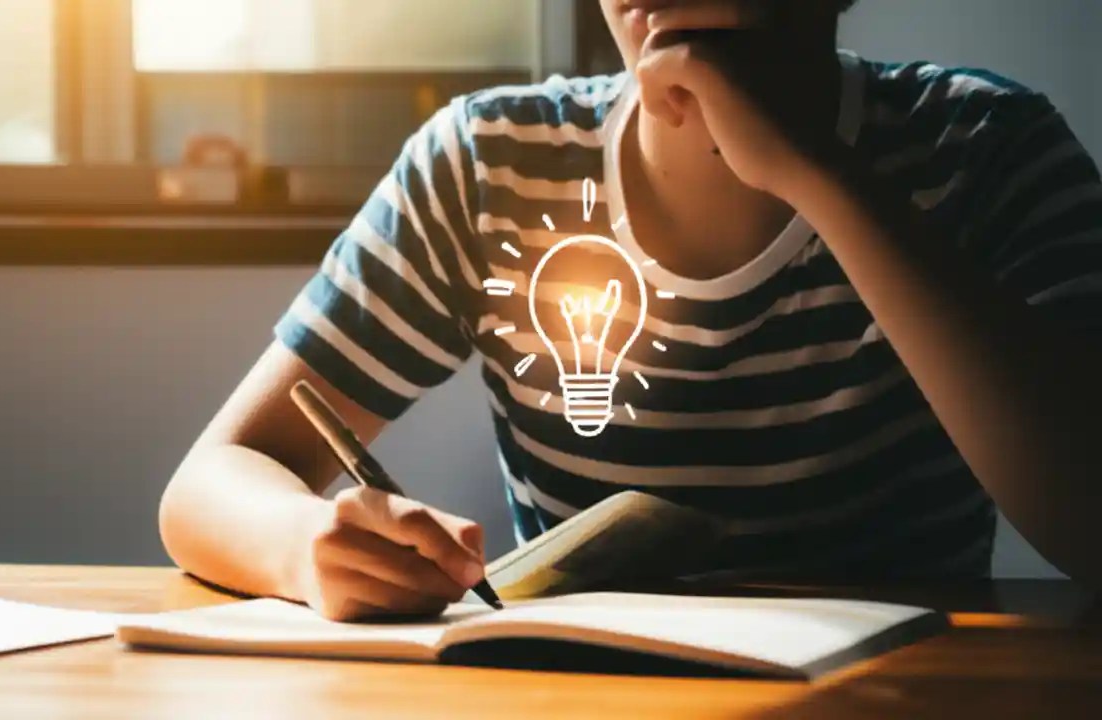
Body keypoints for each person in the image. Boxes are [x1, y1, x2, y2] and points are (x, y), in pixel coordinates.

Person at [158, 0, 1102, 620]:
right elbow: (210, 483)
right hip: (589, 688)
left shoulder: (986, 150)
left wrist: (818, 173)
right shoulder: (491, 162)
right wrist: (303, 548)